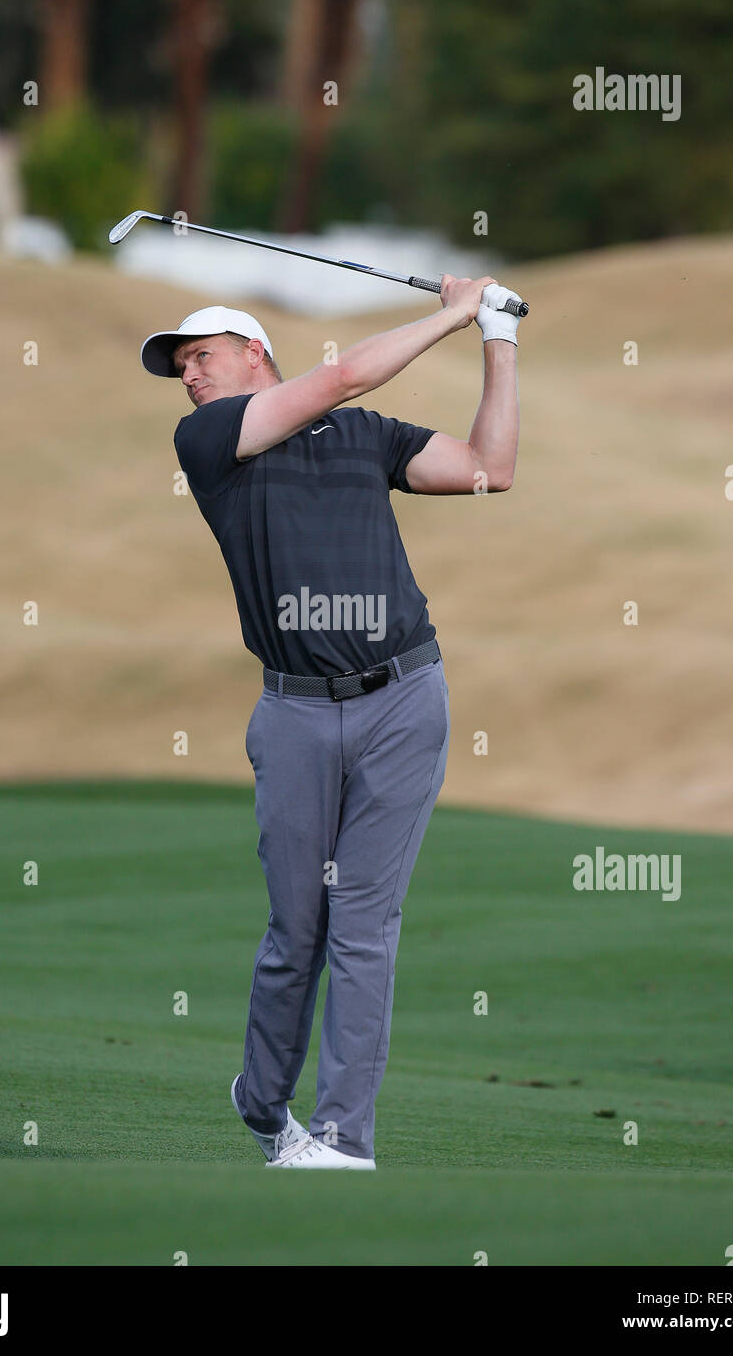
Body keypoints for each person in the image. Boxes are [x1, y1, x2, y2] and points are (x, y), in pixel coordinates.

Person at [139, 275, 521, 1168]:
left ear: (252, 351)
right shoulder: (207, 440)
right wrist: (453, 310)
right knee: (296, 932)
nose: (189, 376)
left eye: (201, 357)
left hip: (405, 698)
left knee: (363, 927)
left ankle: (345, 1140)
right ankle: (267, 1106)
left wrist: (497, 338)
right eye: (180, 366)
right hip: (296, 713)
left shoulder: (364, 437)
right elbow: (344, 373)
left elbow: (487, 469)